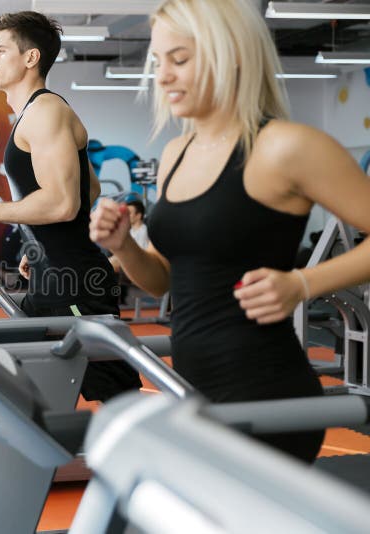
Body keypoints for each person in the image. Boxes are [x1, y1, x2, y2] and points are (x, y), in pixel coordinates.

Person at [90, 0, 370, 462]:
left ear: (232, 53)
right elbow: (165, 279)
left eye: (180, 60)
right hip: (196, 392)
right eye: (159, 62)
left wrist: (303, 284)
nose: (163, 77)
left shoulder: (284, 147)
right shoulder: (177, 153)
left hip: (265, 392)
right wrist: (123, 247)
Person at [0, 11, 142, 402]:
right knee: (13, 378)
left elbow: (65, 203)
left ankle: (158, 457)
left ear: (30, 58)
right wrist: (38, 242)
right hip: (52, 271)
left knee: (116, 393)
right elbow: (90, 188)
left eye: (0, 50)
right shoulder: (32, 115)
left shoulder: (45, 112)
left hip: (76, 280)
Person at [109, 199, 150, 273]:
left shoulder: (143, 232)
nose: (126, 216)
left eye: (129, 213)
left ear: (138, 216)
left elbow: (140, 257)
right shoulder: (130, 231)